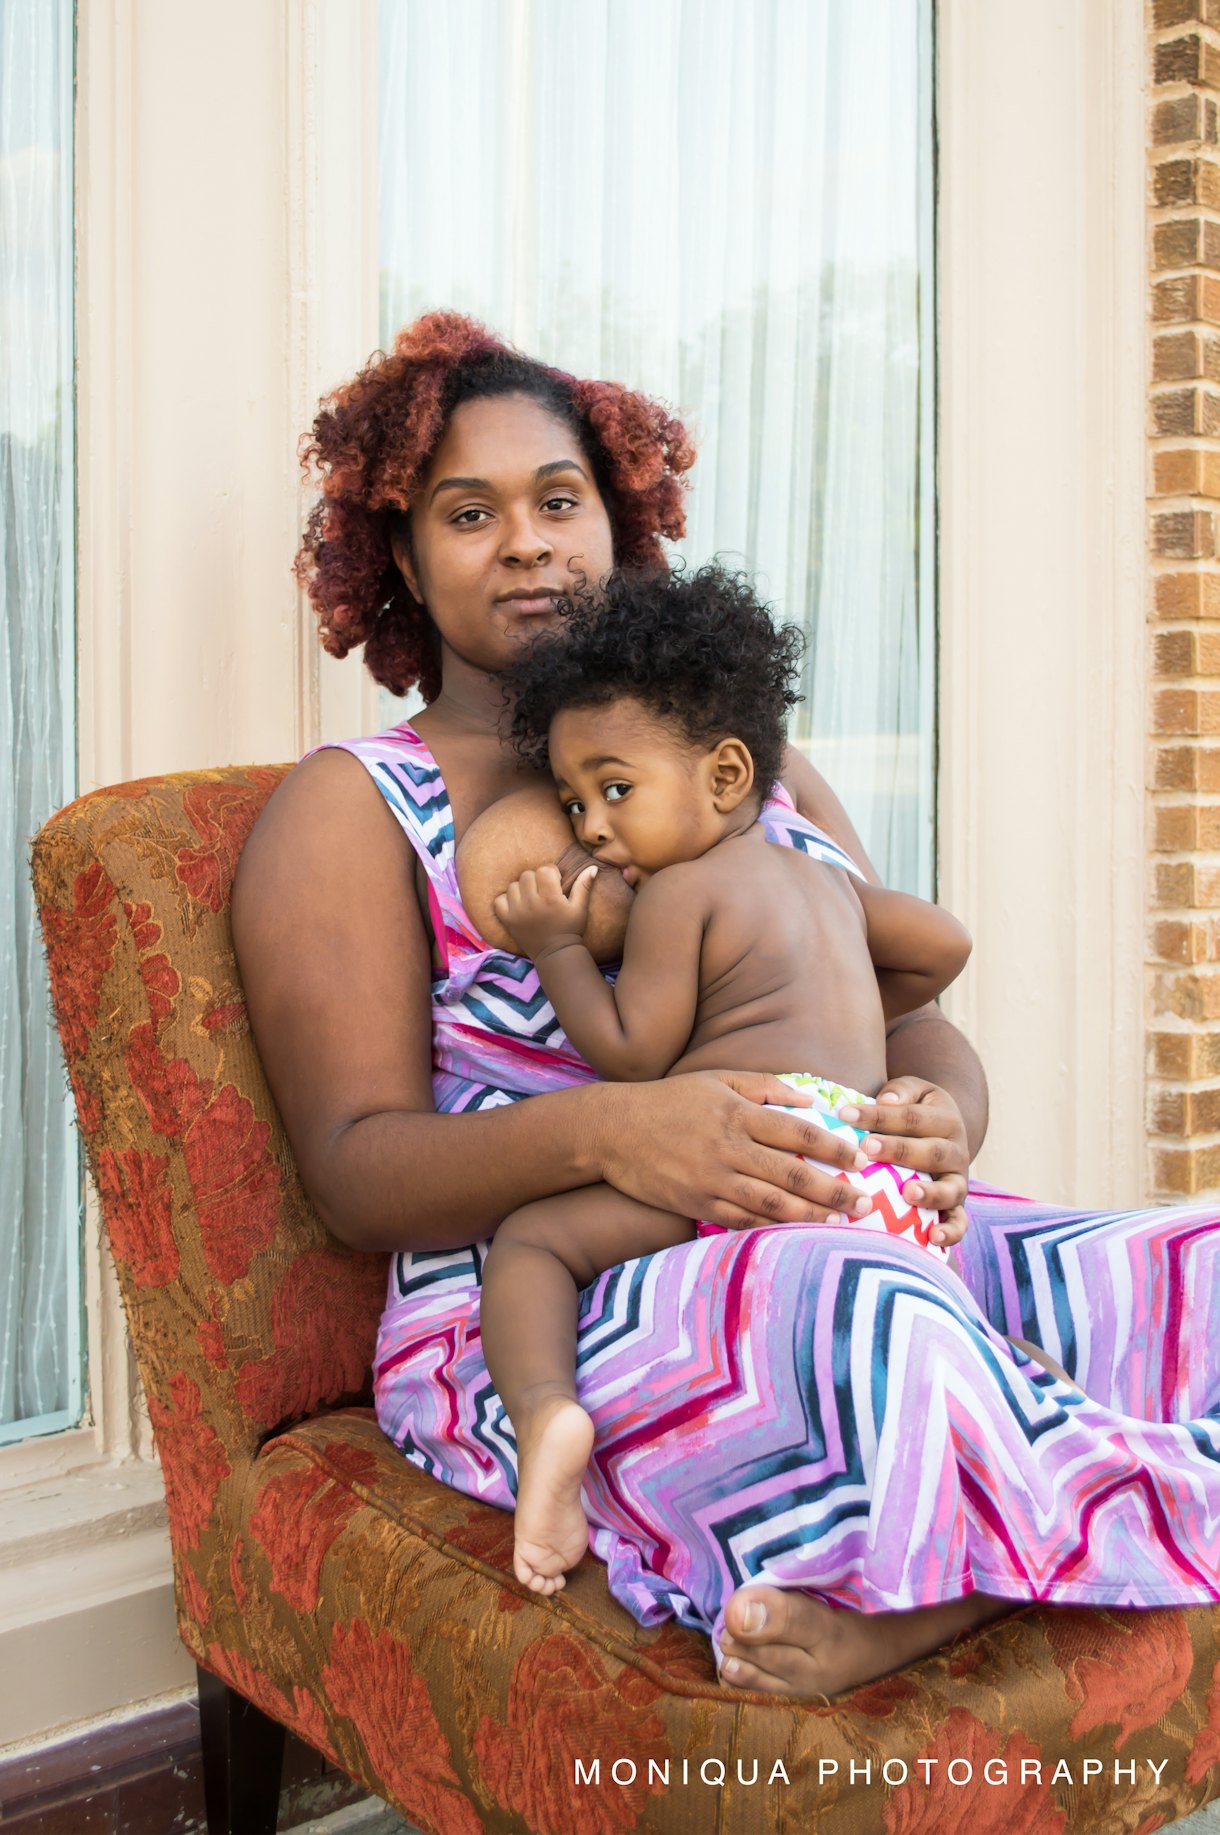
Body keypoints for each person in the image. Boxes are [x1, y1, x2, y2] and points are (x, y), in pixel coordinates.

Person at [233, 310, 1220, 1700]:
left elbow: (900, 1003)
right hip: (572, 1282)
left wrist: (945, 1118)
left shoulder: (743, 770)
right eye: (469, 512)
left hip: (830, 1199)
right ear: (397, 554)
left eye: (559, 500)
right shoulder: (350, 808)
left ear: (618, 521)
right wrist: (623, 1134)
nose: (526, 541)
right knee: (868, 1304)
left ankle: (983, 1533)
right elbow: (354, 1168)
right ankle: (954, 1559)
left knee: (1189, 1266)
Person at [475, 565, 975, 1594]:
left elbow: (631, 1058)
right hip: (867, 1171)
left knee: (531, 1240)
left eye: (615, 788)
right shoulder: (826, 882)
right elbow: (941, 944)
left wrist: (558, 945)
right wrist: (845, 1037)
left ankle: (545, 1415)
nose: (592, 827)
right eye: (573, 801)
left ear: (725, 774)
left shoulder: (677, 892)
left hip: (747, 1165)